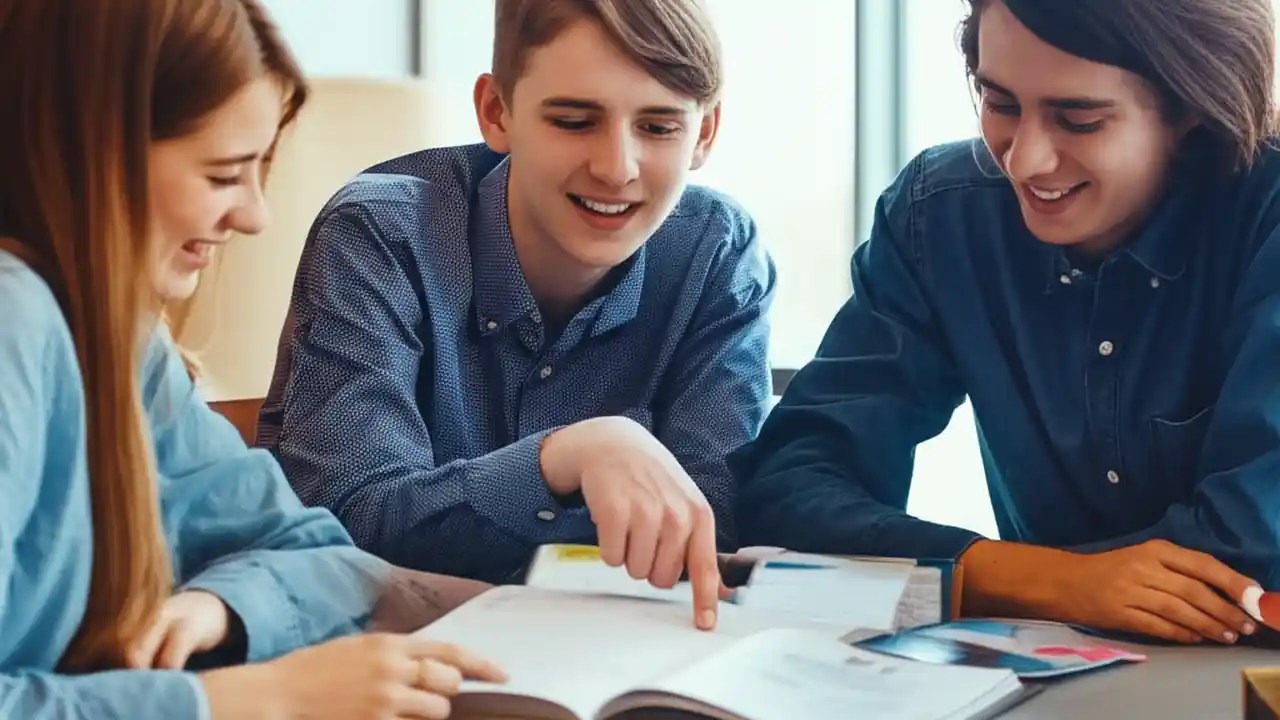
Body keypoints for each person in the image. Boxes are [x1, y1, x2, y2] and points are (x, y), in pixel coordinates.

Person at [0, 1, 503, 717]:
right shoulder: (14, 319)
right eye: (222, 174)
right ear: (88, 151)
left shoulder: (117, 343)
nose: (255, 216)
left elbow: (317, 553)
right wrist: (252, 698)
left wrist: (226, 605)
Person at [736, 0, 1280, 646]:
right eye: (1000, 104)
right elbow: (789, 493)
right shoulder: (939, 217)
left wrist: (989, 580)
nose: (1023, 160)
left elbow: (1250, 553)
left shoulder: (1264, 216)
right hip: (1044, 676)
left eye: (1078, 120)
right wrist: (1050, 581)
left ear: (1191, 109)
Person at [257, 0, 775, 630]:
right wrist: (571, 455)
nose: (617, 168)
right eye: (574, 121)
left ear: (705, 134)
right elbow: (347, 524)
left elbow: (706, 526)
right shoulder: (381, 233)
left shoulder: (715, 251)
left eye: (660, 128)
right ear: (496, 112)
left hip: (615, 655)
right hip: (399, 661)